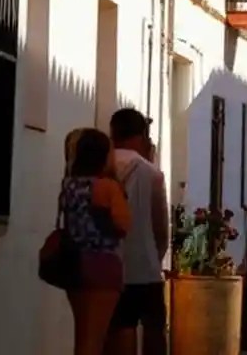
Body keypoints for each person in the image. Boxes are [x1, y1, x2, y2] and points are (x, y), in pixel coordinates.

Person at [105, 109, 170, 355]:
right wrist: (156, 255)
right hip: (145, 268)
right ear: (142, 135)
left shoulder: (102, 166)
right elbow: (160, 227)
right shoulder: (151, 173)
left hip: (110, 267)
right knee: (154, 331)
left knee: (119, 330)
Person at [62, 128, 130, 355]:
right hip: (103, 264)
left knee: (82, 335)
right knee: (95, 338)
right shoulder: (107, 187)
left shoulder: (69, 185)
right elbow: (123, 225)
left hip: (73, 263)